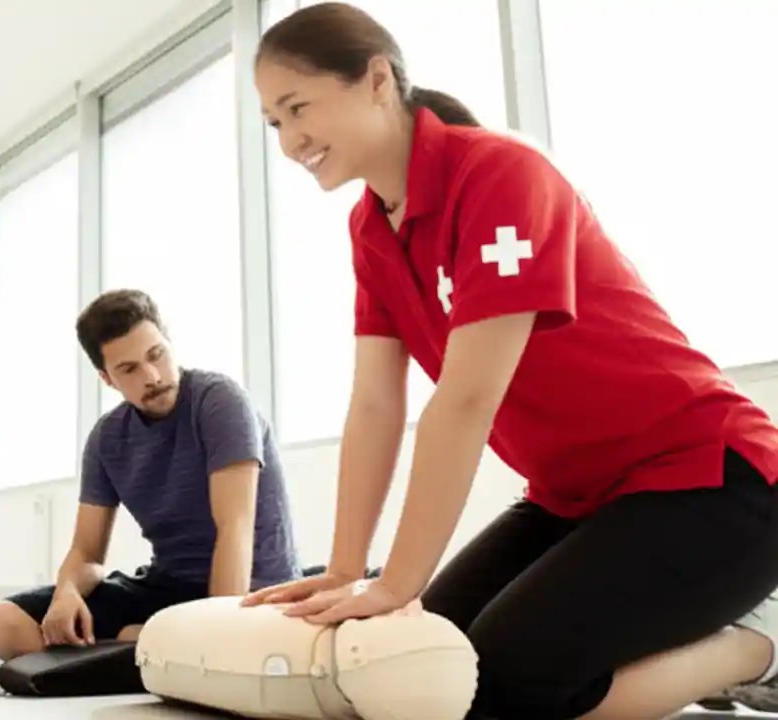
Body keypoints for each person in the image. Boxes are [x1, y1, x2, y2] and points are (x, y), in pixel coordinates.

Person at [241, 4, 778, 719]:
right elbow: (375, 404)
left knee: (503, 682)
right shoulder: (371, 227)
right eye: (274, 121)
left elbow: (465, 400)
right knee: (430, 665)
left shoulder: (499, 174)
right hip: (575, 496)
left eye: (297, 107)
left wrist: (397, 583)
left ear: (375, 80)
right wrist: (346, 571)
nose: (288, 141)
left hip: (715, 481)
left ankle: (760, 643)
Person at [0, 289, 302, 660]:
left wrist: (218, 632)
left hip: (248, 586)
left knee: (212, 639)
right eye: (129, 369)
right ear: (107, 379)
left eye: (157, 355)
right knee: (5, 625)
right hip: (168, 587)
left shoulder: (220, 401)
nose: (152, 376)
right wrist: (66, 592)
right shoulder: (107, 439)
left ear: (169, 344)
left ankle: (139, 646)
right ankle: (142, 646)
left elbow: (236, 529)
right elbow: (87, 552)